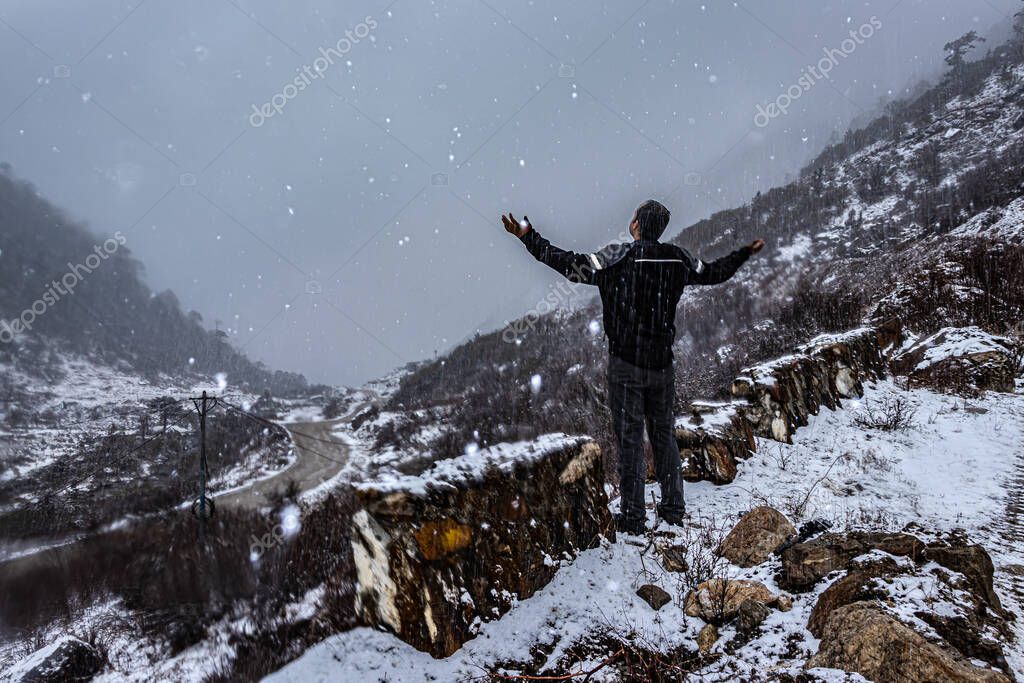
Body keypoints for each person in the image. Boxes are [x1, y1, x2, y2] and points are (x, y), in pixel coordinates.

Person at [501, 200, 764, 534]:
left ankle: (634, 518)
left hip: (626, 365)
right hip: (661, 366)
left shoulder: (616, 258)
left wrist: (529, 237)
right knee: (664, 436)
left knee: (630, 441)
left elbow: (567, 264)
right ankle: (672, 511)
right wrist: (743, 253)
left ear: (637, 224)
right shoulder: (677, 259)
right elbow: (715, 273)